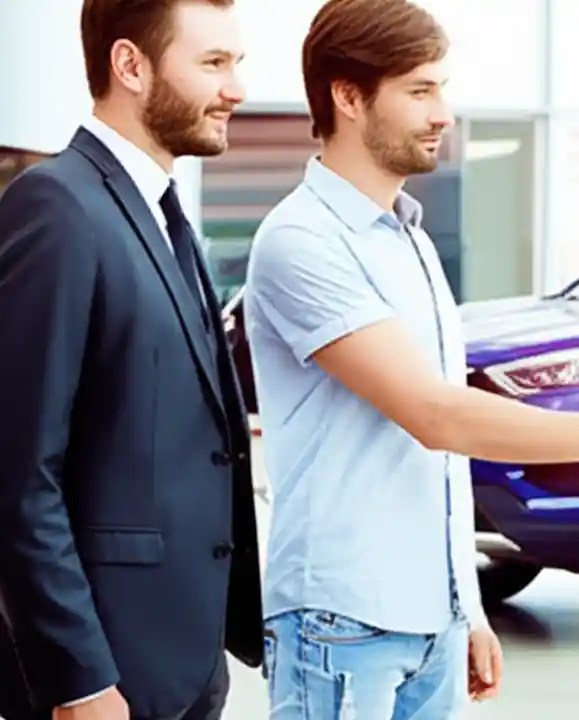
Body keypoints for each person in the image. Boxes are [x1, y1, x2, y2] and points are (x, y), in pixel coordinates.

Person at [242, 1, 579, 717]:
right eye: (420, 90)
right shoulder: (300, 241)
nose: (444, 112)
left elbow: (440, 461)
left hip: (428, 622)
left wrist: (464, 605)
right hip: (341, 622)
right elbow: (437, 416)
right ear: (347, 96)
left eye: (442, 86)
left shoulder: (407, 237)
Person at [0, 1, 262, 719]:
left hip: (185, 666)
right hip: (102, 679)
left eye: (235, 62)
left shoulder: (162, 214)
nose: (236, 87)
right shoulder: (56, 208)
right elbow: (20, 471)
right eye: (213, 63)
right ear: (130, 66)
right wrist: (79, 679)